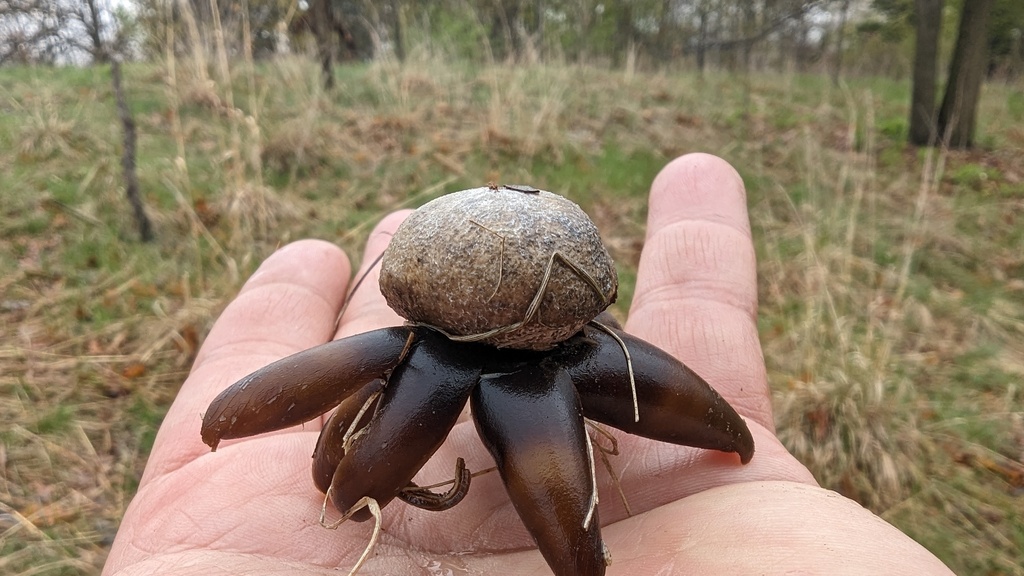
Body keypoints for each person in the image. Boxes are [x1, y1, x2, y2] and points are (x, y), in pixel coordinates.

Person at [102, 154, 953, 575]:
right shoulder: (442, 339)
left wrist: (351, 470)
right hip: (510, 347)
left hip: (559, 349)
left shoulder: (566, 347)